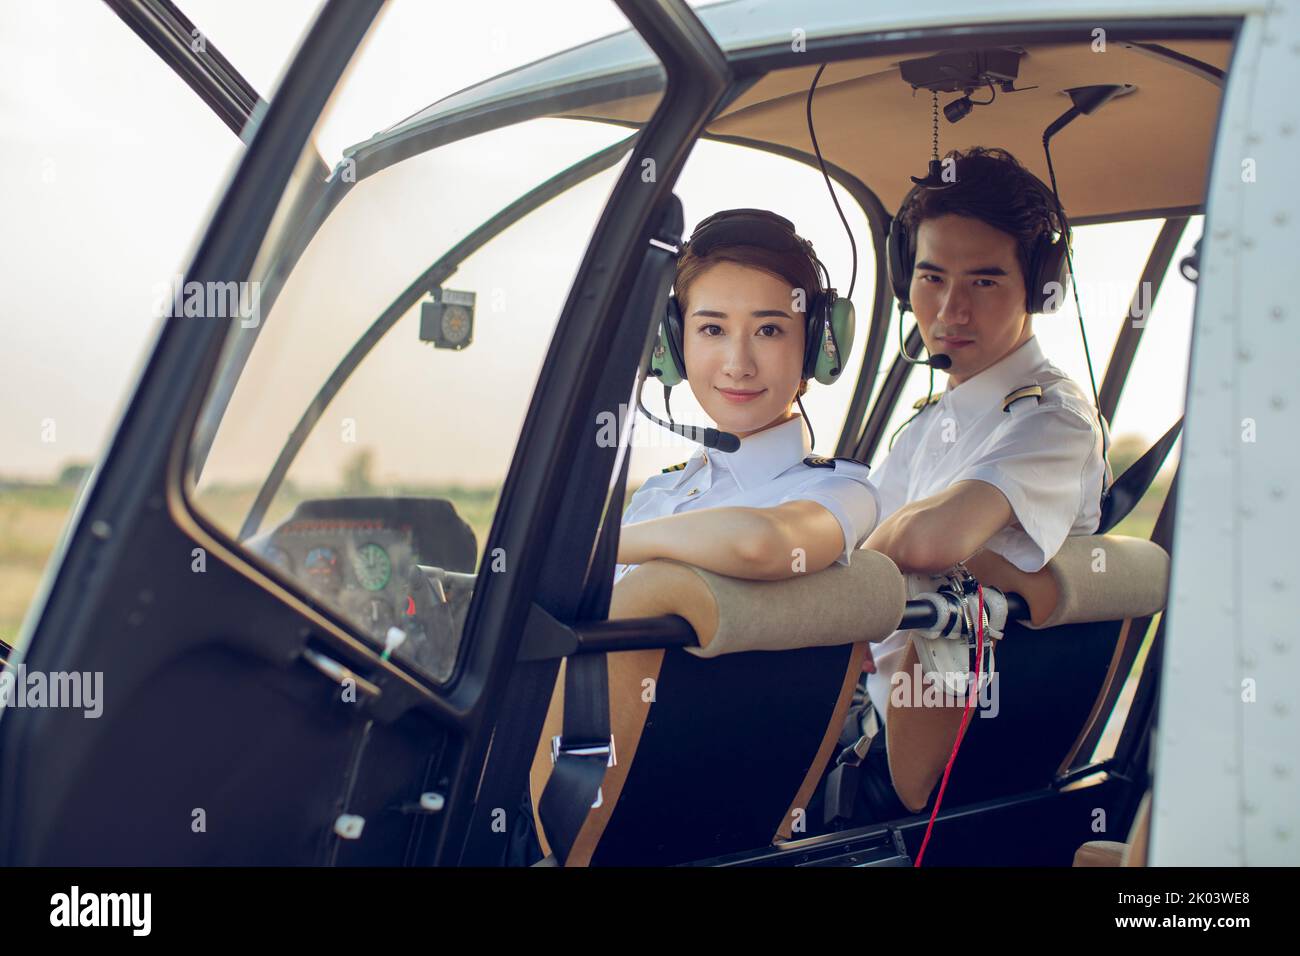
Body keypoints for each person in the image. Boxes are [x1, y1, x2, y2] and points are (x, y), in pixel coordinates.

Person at [809, 146, 1113, 831]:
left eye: (984, 281)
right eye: (930, 277)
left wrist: (847, 579)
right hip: (862, 723)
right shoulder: (928, 427)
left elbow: (928, 539)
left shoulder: (1054, 421)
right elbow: (876, 536)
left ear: (1038, 288)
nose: (950, 310)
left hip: (906, 771)